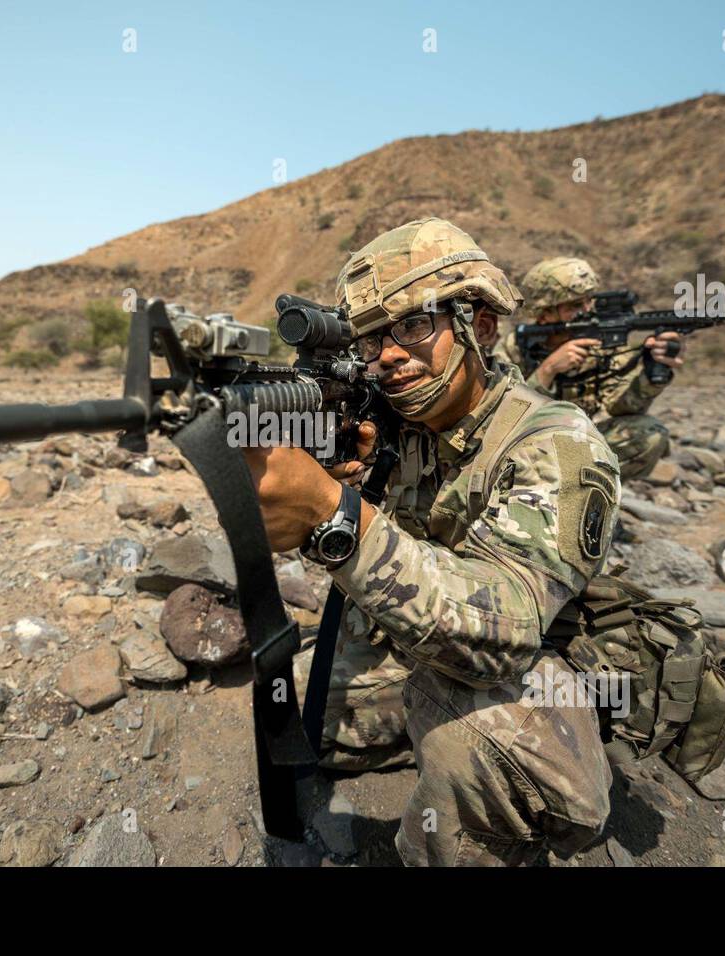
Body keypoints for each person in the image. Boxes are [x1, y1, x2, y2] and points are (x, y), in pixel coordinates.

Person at [243, 219, 621, 866]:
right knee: (289, 711)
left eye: (414, 326)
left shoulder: (556, 443)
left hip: (525, 662)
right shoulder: (394, 414)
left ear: (481, 324)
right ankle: (420, 727)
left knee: (477, 746)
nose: (387, 354)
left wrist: (335, 519)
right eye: (368, 339)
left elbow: (503, 633)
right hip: (413, 644)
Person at [488, 256, 682, 480]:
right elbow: (499, 417)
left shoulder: (598, 344)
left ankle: (585, 496)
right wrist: (547, 372)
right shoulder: (515, 348)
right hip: (523, 448)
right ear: (545, 313)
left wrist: (651, 374)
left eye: (589, 301)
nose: (587, 310)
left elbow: (622, 407)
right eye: (575, 305)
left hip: (573, 448)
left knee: (649, 434)